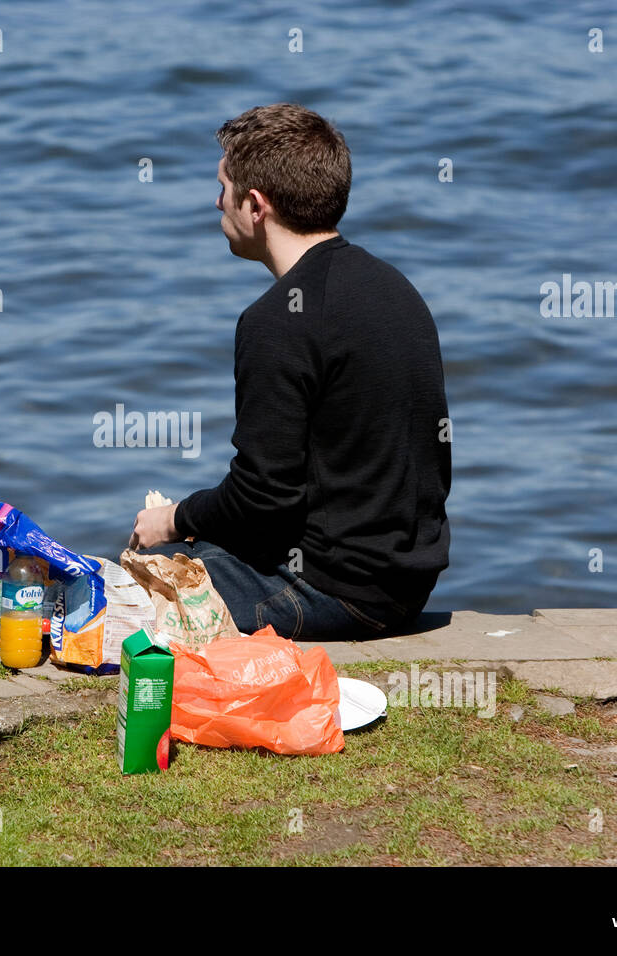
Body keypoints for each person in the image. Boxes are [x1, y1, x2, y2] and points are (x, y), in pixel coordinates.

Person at [129, 104, 451, 640]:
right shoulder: (395, 289)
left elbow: (262, 498)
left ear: (255, 205)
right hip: (405, 579)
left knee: (128, 589)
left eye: (223, 188)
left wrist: (175, 518)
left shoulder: (276, 322)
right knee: (193, 548)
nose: (216, 202)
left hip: (334, 589)